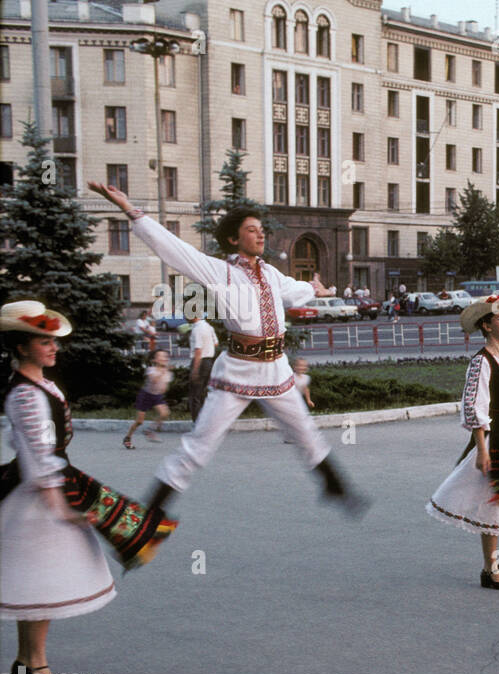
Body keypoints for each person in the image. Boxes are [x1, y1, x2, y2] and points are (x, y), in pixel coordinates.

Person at [87, 181, 369, 518]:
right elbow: (174, 249)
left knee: (305, 432)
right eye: (252, 230)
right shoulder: (221, 272)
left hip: (276, 368)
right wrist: (131, 210)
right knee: (198, 447)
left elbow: (294, 290)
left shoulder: (269, 273)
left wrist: (314, 288)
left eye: (261, 229)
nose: (260, 235)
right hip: (237, 370)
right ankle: (149, 519)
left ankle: (335, 486)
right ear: (234, 239)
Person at [1, 301, 177, 674]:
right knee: (40, 583)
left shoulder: (37, 386)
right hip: (40, 494)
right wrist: (60, 506)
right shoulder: (27, 395)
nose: (52, 346)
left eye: (52, 339)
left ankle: (28, 665)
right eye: (42, 340)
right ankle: (35, 668)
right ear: (20, 346)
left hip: (46, 484)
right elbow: (38, 453)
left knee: (35, 584)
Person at [428, 297, 499, 589]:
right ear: (486, 325)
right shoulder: (481, 361)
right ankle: (491, 569)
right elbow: (474, 405)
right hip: (495, 436)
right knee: (492, 504)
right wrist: (481, 449)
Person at [124, 349, 172, 449]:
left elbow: (164, 389)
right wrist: (162, 372)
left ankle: (150, 430)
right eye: (160, 356)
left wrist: (164, 386)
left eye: (165, 356)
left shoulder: (168, 374)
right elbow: (154, 380)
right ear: (154, 360)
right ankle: (128, 437)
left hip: (157, 396)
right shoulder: (151, 370)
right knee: (139, 421)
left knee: (165, 413)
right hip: (146, 395)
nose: (163, 358)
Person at [187, 312, 218, 419]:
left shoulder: (197, 329)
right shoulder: (209, 327)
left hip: (199, 362)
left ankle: (197, 423)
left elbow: (198, 350)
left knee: (195, 395)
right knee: (204, 393)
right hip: (209, 362)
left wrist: (195, 370)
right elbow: (216, 343)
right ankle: (206, 420)